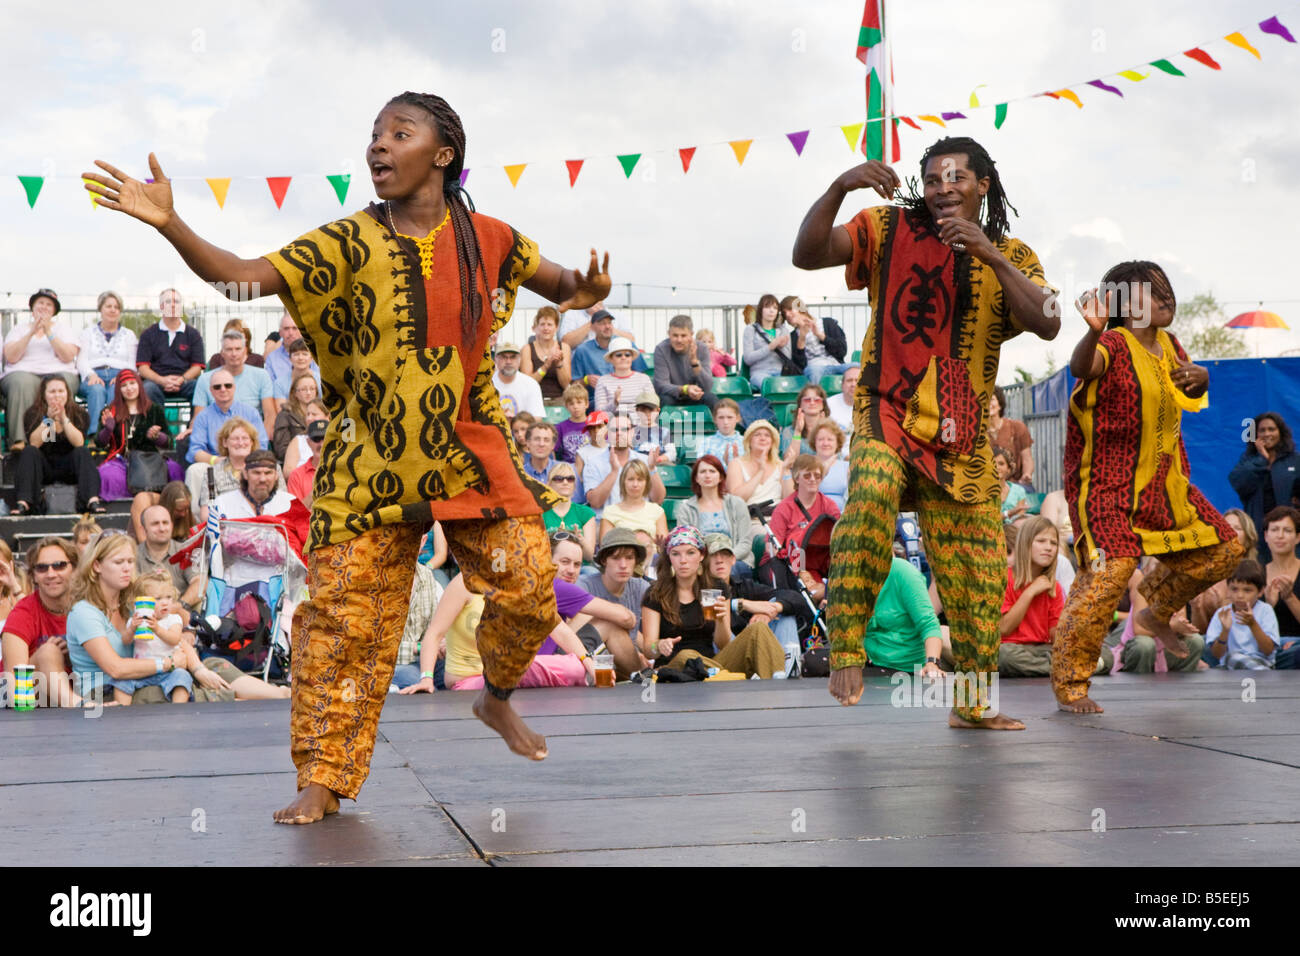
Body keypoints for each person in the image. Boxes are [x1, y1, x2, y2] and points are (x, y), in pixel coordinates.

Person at [87, 89, 612, 824]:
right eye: (374, 134)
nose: (378, 146)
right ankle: (324, 778)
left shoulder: (489, 237)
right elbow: (242, 276)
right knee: (343, 626)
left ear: (443, 153)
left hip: (469, 452)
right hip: (368, 463)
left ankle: (495, 700)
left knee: (531, 583)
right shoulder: (344, 241)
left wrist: (586, 291)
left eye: (400, 132)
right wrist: (172, 222)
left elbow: (560, 283)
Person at [792, 135, 1061, 728]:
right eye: (932, 179)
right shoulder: (886, 228)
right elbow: (806, 256)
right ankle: (846, 649)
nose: (942, 189)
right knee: (870, 500)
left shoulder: (1011, 251)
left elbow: (1047, 322)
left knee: (982, 573)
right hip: (885, 404)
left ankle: (970, 707)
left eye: (956, 179)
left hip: (960, 428)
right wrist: (840, 187)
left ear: (981, 185)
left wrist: (990, 255)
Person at [1054, 262, 1243, 713]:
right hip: (1106, 488)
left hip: (1165, 485)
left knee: (1226, 550)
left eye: (1167, 291)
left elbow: (1187, 391)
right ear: (1122, 303)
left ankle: (1155, 612)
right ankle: (1070, 683)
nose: (1166, 300)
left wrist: (1204, 377)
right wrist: (1092, 333)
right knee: (1110, 573)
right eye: (1152, 293)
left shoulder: (1171, 346)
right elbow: (1083, 366)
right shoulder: (1112, 344)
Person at [398, 572, 592, 692]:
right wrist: (426, 679)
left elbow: (560, 631)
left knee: (575, 667)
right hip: (470, 680)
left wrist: (591, 665)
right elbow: (434, 634)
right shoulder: (464, 582)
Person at [640, 526, 785, 678]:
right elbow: (648, 648)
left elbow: (722, 644)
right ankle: (725, 676)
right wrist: (659, 645)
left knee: (758, 629)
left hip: (711, 664)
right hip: (675, 667)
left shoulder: (716, 587)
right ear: (669, 557)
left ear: (701, 555)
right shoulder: (656, 593)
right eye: (676, 554)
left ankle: (774, 690)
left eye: (690, 553)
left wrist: (722, 620)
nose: (683, 561)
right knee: (687, 656)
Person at [65, 533, 189, 706]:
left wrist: (198, 668)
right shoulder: (84, 613)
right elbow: (115, 669)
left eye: (130, 561)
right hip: (102, 692)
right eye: (118, 562)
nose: (127, 568)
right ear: (96, 566)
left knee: (196, 677)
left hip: (140, 682)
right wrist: (169, 663)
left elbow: (172, 632)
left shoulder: (134, 606)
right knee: (187, 693)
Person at [706, 533, 804, 677]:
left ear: (733, 559)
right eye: (713, 555)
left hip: (755, 648)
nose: (719, 560)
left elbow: (795, 598)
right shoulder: (703, 590)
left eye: (725, 555)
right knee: (754, 629)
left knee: (784, 613)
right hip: (724, 656)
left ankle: (789, 670)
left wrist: (772, 610)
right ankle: (776, 670)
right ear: (704, 561)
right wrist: (739, 604)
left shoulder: (743, 585)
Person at [1, 538, 78, 708]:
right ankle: (77, 706)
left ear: (74, 569)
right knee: (49, 651)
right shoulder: (23, 612)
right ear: (34, 576)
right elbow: (15, 683)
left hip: (75, 690)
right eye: (42, 568)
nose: (51, 574)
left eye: (59, 565)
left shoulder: (86, 608)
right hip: (24, 699)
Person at [12, 375, 103, 516]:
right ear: (44, 394)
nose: (57, 396)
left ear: (67, 393)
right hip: (44, 467)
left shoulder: (79, 413)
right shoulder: (33, 413)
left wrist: (64, 418)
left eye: (61, 391)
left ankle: (92, 500)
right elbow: (35, 443)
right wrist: (48, 420)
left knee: (83, 452)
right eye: (52, 392)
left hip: (70, 467)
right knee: (29, 451)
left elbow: (79, 442)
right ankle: (24, 502)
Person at [2, 289, 80, 450]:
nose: (44, 307)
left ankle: (51, 441)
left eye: (48, 305)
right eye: (40, 303)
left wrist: (48, 332)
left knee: (57, 387)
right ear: (32, 307)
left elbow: (67, 356)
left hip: (58, 372)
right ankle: (20, 441)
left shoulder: (64, 329)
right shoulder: (18, 329)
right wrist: (32, 332)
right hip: (24, 372)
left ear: (54, 311)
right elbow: (11, 356)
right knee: (21, 383)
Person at [95, 368, 179, 503]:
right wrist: (108, 429)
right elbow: (99, 443)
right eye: (124, 385)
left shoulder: (154, 409)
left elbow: (169, 442)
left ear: (139, 385)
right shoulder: (110, 411)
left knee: (174, 469)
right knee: (108, 474)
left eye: (132, 384)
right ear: (118, 390)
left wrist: (157, 436)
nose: (129, 388)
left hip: (149, 459)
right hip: (121, 460)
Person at [997, 515, 1064, 678]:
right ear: (1025, 544)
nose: (1048, 547)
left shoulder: (1054, 587)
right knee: (1004, 655)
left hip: (1042, 649)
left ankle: (1063, 667)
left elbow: (1057, 637)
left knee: (1104, 655)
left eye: (1053, 543)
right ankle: (1065, 670)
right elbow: (1004, 629)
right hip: (1011, 647)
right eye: (1041, 541)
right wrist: (1030, 592)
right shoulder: (1003, 579)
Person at [1229, 411, 1300, 563]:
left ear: (1280, 432)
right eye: (1262, 430)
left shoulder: (1295, 460)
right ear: (1255, 435)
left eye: (1272, 429)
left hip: (1288, 534)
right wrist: (1262, 459)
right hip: (1258, 535)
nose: (1267, 434)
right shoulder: (1248, 460)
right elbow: (1238, 482)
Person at [581, 529, 652, 661]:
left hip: (627, 663)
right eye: (615, 558)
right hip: (593, 661)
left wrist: (653, 651)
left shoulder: (642, 587)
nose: (623, 565)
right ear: (604, 560)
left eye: (629, 558)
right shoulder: (585, 586)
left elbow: (643, 638)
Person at [186, 417, 272, 525]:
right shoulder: (212, 473)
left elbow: (283, 504)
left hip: (266, 526)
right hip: (227, 530)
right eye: (235, 439)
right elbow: (206, 514)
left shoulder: (270, 468)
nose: (240, 443)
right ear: (225, 442)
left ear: (252, 442)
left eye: (245, 438)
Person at [578, 412, 665, 517]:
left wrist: (651, 469)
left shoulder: (645, 460)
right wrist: (614, 472)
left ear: (632, 432)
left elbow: (658, 500)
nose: (619, 433)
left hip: (640, 523)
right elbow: (595, 503)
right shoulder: (593, 463)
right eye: (614, 430)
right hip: (607, 526)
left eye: (625, 429)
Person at [673, 455, 752, 569]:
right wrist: (706, 561)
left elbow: (745, 542)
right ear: (696, 478)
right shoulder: (686, 509)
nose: (707, 475)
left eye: (712, 471)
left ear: (720, 477)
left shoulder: (736, 504)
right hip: (702, 563)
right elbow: (686, 544)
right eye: (703, 471)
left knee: (731, 572)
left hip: (735, 560)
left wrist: (727, 559)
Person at [77, 290, 139, 433]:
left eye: (116, 307)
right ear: (101, 309)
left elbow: (132, 362)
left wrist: (122, 376)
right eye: (108, 306)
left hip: (119, 374)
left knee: (116, 391)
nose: (112, 310)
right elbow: (81, 360)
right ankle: (95, 434)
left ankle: (115, 434)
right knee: (96, 390)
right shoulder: (88, 333)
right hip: (94, 374)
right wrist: (90, 375)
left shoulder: (128, 335)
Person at [193, 329, 277, 428]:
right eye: (229, 349)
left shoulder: (262, 376)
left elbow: (270, 415)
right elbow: (198, 418)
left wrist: (262, 441)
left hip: (251, 436)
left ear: (245, 351)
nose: (234, 354)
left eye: (238, 349)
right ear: (222, 353)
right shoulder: (205, 379)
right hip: (215, 435)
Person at [135, 289, 205, 406]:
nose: (173, 305)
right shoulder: (148, 334)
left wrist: (181, 380)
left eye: (176, 302)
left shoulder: (193, 334)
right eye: (168, 301)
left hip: (185, 381)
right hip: (156, 382)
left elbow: (197, 367)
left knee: (201, 388)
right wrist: (161, 380)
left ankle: (194, 424)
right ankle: (157, 424)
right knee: (147, 389)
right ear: (161, 306)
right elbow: (142, 368)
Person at [184, 368, 269, 464]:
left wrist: (244, 463)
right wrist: (217, 461)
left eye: (228, 386)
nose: (223, 389)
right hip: (214, 465)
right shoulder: (203, 417)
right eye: (217, 387)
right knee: (195, 470)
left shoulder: (251, 413)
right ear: (211, 390)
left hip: (248, 464)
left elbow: (261, 445)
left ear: (234, 388)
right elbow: (195, 451)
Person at [1207, 560, 1279, 669]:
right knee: (1231, 659)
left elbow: (1268, 650)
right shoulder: (1222, 613)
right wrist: (1225, 631)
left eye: (1247, 590)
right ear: (1228, 589)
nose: (1240, 595)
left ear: (1260, 592)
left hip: (1261, 663)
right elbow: (1217, 654)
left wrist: (1252, 624)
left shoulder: (1266, 610)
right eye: (1234, 589)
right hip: (1229, 665)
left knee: (1236, 658)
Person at [728, 419, 792, 541]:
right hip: (751, 522)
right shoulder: (736, 464)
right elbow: (737, 499)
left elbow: (789, 498)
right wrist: (760, 471)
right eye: (757, 435)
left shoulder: (780, 465)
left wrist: (787, 470)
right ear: (749, 441)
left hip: (778, 520)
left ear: (772, 442)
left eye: (767, 435)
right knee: (768, 538)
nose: (762, 438)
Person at [598, 459, 667, 566]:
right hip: (621, 562)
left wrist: (659, 545)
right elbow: (606, 546)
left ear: (646, 482)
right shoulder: (610, 512)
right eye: (630, 479)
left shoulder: (657, 510)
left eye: (640, 480)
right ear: (623, 481)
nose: (635, 484)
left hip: (652, 563)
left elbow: (664, 546)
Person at [137, 504, 204, 612]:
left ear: (172, 525)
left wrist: (178, 606)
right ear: (143, 529)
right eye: (155, 524)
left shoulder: (186, 551)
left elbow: (200, 583)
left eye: (165, 523)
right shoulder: (133, 555)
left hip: (179, 615)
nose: (162, 528)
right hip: (143, 616)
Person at [571, 309, 649, 403]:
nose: (607, 326)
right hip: (596, 400)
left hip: (629, 397)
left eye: (609, 323)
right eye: (602, 323)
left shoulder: (626, 345)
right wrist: (586, 380)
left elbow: (641, 374)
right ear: (592, 327)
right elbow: (574, 385)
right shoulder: (583, 350)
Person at [1261, 505, 1300, 669]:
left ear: (1298, 537)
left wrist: (1290, 598)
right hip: (1264, 646)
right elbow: (1245, 625)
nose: (1280, 536)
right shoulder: (1256, 574)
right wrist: (1268, 606)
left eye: (1287, 530)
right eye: (1274, 530)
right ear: (1265, 536)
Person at [653, 314, 716, 410]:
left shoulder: (702, 348)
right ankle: (667, 425)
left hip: (695, 396)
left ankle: (707, 425)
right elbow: (661, 385)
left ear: (691, 334)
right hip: (672, 396)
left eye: (683, 335)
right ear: (669, 334)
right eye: (675, 335)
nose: (679, 340)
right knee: (664, 400)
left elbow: (707, 386)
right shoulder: (661, 349)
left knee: (711, 399)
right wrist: (685, 389)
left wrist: (695, 362)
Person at [783, 297, 852, 381]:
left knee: (856, 367)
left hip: (836, 364)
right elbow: (799, 366)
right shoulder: (793, 336)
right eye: (784, 313)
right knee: (814, 371)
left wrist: (821, 336)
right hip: (814, 367)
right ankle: (815, 394)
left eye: (790, 309)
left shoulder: (828, 323)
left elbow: (842, 351)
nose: (787, 315)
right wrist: (802, 339)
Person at [213, 448, 293, 519]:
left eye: (268, 473)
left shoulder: (290, 504)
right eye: (256, 473)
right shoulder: (223, 504)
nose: (262, 479)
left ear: (276, 475)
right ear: (245, 474)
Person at [543, 463, 596, 562]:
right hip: (549, 566)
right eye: (559, 479)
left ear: (574, 485)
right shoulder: (540, 513)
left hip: (580, 569)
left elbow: (589, 557)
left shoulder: (585, 513)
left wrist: (580, 540)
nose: (565, 482)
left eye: (570, 479)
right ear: (549, 484)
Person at [741, 293, 796, 389]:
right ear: (760, 310)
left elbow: (788, 358)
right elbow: (748, 359)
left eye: (775, 308)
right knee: (770, 385)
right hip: (760, 373)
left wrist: (781, 347)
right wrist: (770, 347)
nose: (771, 311)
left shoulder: (783, 330)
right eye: (767, 307)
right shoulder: (750, 329)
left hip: (781, 373)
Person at [520, 306, 572, 404]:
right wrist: (546, 366)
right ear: (536, 327)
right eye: (542, 324)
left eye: (550, 324)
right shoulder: (527, 349)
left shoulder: (564, 347)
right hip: (534, 400)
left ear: (556, 328)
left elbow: (566, 384)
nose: (546, 328)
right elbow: (527, 384)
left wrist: (559, 364)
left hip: (559, 399)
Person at [987, 385, 1034, 488]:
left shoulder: (1017, 427)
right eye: (984, 399)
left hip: (1016, 484)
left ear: (1000, 404)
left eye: (992, 399)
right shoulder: (979, 433)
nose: (988, 403)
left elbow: (1027, 458)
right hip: (989, 486)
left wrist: (1027, 474)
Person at [593, 337, 654, 416]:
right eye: (618, 355)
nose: (623, 357)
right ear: (611, 359)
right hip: (613, 425)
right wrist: (614, 402)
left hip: (640, 423)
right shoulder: (602, 381)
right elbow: (599, 413)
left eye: (627, 355)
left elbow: (652, 405)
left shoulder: (644, 379)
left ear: (632, 358)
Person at [264, 311, 319, 396]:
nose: (291, 333)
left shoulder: (313, 354)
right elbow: (269, 389)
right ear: (280, 332)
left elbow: (319, 383)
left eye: (295, 328)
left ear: (301, 331)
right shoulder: (272, 358)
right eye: (286, 329)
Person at [272, 372, 321, 462]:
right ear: (295, 393)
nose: (308, 393)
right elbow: (281, 450)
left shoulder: (323, 414)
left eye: (312, 389)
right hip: (296, 462)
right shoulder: (285, 415)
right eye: (303, 389)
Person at [491, 341, 545, 420]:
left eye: (513, 357)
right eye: (504, 357)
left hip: (522, 431)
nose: (508, 362)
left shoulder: (531, 384)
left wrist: (515, 421)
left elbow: (536, 419)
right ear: (496, 359)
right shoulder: (487, 383)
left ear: (520, 360)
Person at [779, 383, 831, 457]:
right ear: (800, 404)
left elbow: (832, 460)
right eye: (807, 400)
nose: (812, 403)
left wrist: (822, 432)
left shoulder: (832, 431)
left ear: (823, 405)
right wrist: (798, 432)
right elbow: (790, 462)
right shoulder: (789, 431)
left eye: (817, 400)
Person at [287, 417, 327, 507]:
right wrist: (314, 491)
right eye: (316, 439)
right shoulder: (297, 475)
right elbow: (296, 514)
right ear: (308, 442)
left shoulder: (344, 470)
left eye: (326, 438)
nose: (321, 444)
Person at [271, 339, 321, 412]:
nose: (300, 358)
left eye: (305, 354)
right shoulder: (279, 383)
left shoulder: (321, 380)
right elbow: (281, 410)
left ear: (311, 358)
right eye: (296, 354)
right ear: (290, 359)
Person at [811, 421, 850, 511]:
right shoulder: (807, 465)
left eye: (830, 439)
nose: (825, 443)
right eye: (821, 439)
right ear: (814, 442)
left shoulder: (847, 467)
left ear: (837, 443)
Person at [283, 400, 327, 477]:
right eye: (307, 414)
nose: (309, 418)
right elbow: (287, 472)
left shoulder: (337, 438)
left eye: (314, 414)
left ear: (327, 416)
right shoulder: (299, 440)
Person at [697, 398, 745, 464]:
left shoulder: (746, 443)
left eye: (730, 417)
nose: (725, 422)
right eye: (721, 417)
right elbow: (701, 468)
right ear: (714, 419)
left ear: (737, 418)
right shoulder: (706, 443)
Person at [555, 382, 591, 463]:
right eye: (571, 403)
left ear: (587, 404)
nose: (575, 406)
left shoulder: (595, 425)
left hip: (591, 468)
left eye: (579, 402)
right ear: (566, 406)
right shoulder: (560, 427)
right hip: (569, 469)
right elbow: (552, 450)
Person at [825, 364, 859, 437]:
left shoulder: (872, 407)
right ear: (842, 385)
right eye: (849, 380)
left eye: (857, 380)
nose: (853, 384)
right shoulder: (828, 404)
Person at [995, 447, 1028, 523]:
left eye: (1001, 464)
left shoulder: (1018, 491)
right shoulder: (983, 491)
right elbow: (987, 519)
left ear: (1008, 469)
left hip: (1012, 531)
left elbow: (1019, 519)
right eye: (993, 463)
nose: (996, 467)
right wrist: (1008, 513)